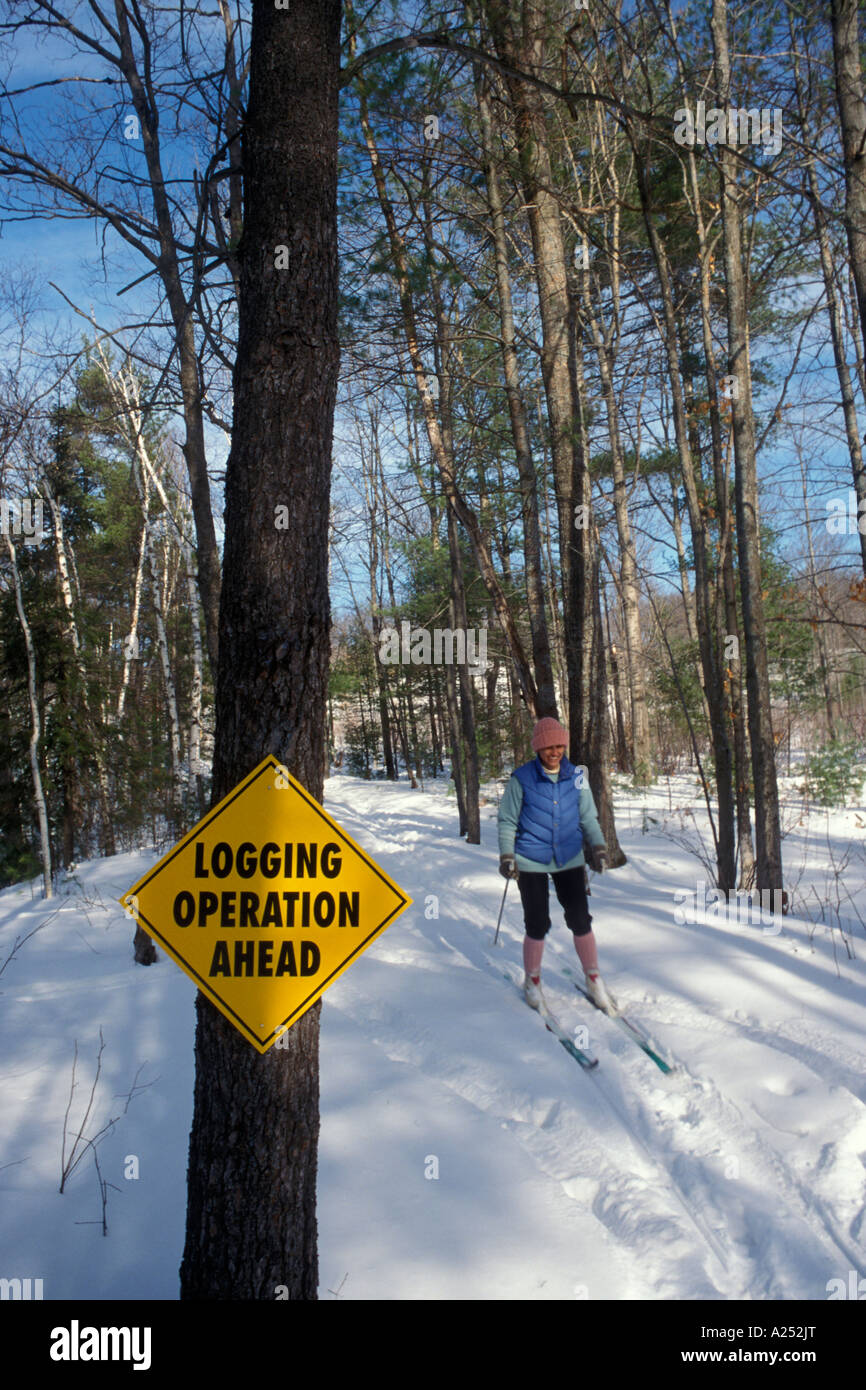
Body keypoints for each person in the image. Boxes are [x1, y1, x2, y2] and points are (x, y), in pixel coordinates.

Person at [497, 717, 612, 1012]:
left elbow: (588, 817)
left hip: (570, 857)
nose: (555, 751)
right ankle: (532, 981)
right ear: (538, 747)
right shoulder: (522, 779)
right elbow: (508, 820)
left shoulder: (576, 776)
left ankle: (593, 977)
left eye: (560, 745)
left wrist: (598, 846)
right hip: (530, 859)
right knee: (537, 922)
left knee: (580, 918)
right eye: (549, 746)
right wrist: (507, 855)